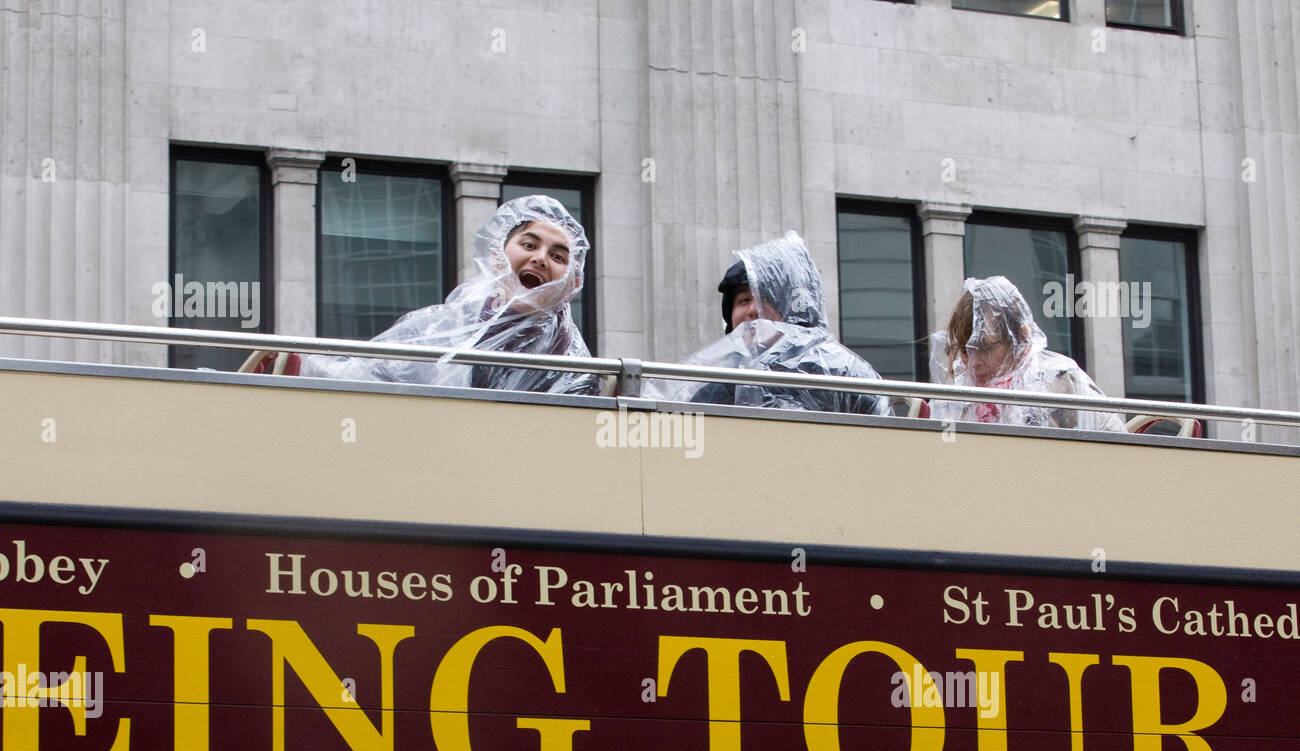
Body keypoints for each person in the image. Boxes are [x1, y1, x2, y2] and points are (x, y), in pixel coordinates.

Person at [256, 195, 597, 395]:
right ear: (497, 254)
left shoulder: (571, 360)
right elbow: (369, 373)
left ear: (572, 283)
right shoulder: (440, 326)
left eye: (558, 256)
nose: (539, 258)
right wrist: (299, 366)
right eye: (528, 244)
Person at [644, 232, 892, 416]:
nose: (752, 311)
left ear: (793, 304)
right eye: (743, 300)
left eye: (765, 300)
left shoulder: (839, 372)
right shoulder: (715, 384)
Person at [929, 276, 1124, 431]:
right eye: (966, 351)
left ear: (1021, 337)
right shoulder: (956, 399)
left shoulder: (1056, 380)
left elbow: (1116, 445)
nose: (975, 362)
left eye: (986, 349)